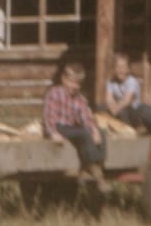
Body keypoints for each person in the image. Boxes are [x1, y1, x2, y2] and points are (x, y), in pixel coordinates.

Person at [42, 62, 111, 193]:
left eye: (78, 83)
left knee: (100, 133)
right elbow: (48, 117)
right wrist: (52, 133)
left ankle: (90, 168)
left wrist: (94, 130)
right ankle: (98, 176)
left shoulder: (80, 99)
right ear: (63, 79)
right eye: (72, 82)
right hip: (60, 127)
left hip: (74, 130)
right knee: (84, 134)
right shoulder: (55, 93)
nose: (75, 86)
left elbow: (86, 118)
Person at [100, 52, 141, 126]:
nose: (120, 70)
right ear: (114, 69)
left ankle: (128, 127)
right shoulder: (111, 82)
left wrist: (115, 109)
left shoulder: (131, 81)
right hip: (118, 107)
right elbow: (109, 99)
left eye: (123, 67)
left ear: (128, 69)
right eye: (118, 67)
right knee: (100, 106)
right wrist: (112, 107)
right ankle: (112, 125)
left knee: (123, 111)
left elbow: (127, 100)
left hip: (132, 111)